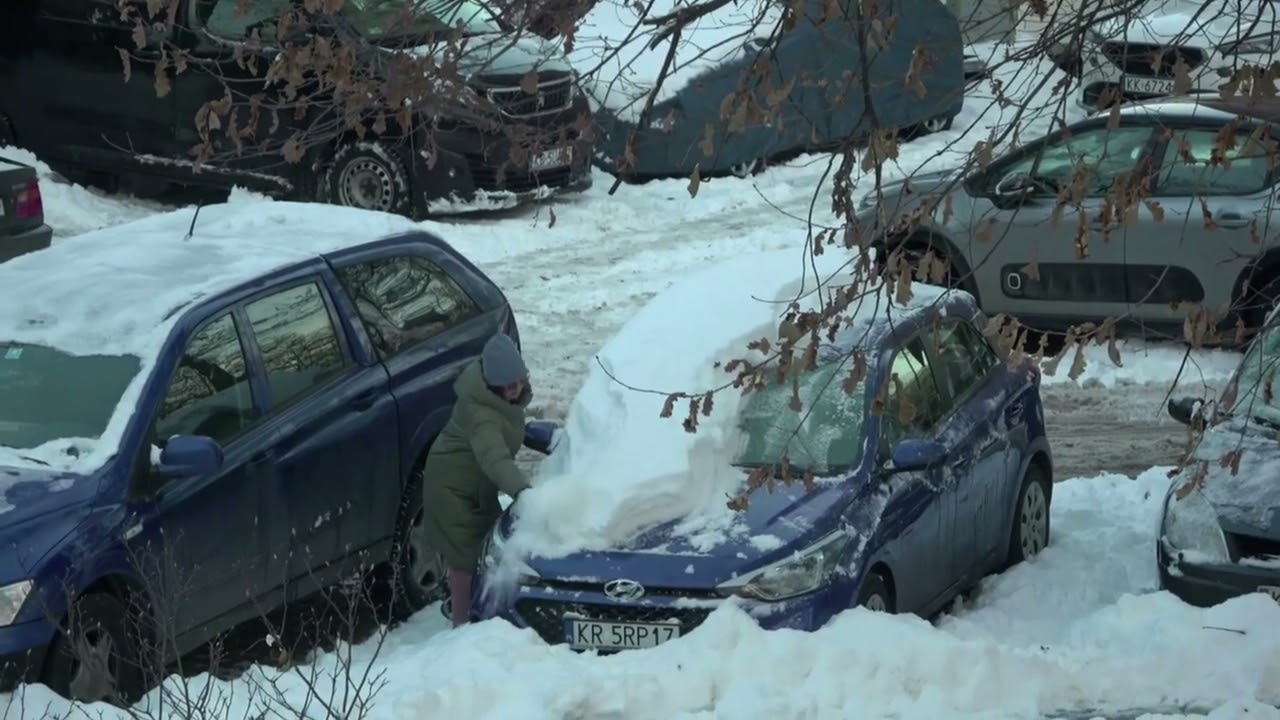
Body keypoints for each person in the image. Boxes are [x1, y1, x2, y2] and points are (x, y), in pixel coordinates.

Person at [420, 332, 533, 627]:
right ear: (493, 384)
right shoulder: (480, 412)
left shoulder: (498, 400)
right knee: (466, 559)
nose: (516, 390)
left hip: (474, 487)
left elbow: (506, 428)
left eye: (519, 382)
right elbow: (494, 458)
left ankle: (481, 614)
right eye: (509, 387)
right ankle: (462, 625)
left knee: (490, 551)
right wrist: (525, 493)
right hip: (451, 490)